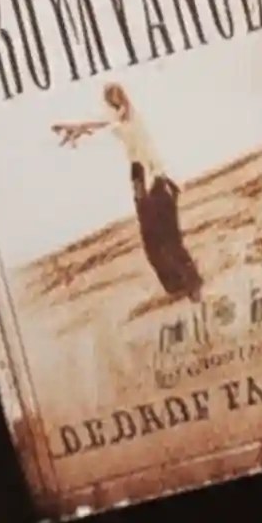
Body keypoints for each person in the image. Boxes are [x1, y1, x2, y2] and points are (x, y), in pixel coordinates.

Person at [52, 83, 208, 344]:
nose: (116, 107)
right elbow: (105, 125)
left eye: (115, 102)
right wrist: (79, 128)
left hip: (154, 181)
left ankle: (191, 286)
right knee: (155, 244)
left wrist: (78, 128)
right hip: (146, 180)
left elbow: (109, 125)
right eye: (112, 102)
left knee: (165, 241)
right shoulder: (125, 122)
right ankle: (182, 287)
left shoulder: (131, 121)